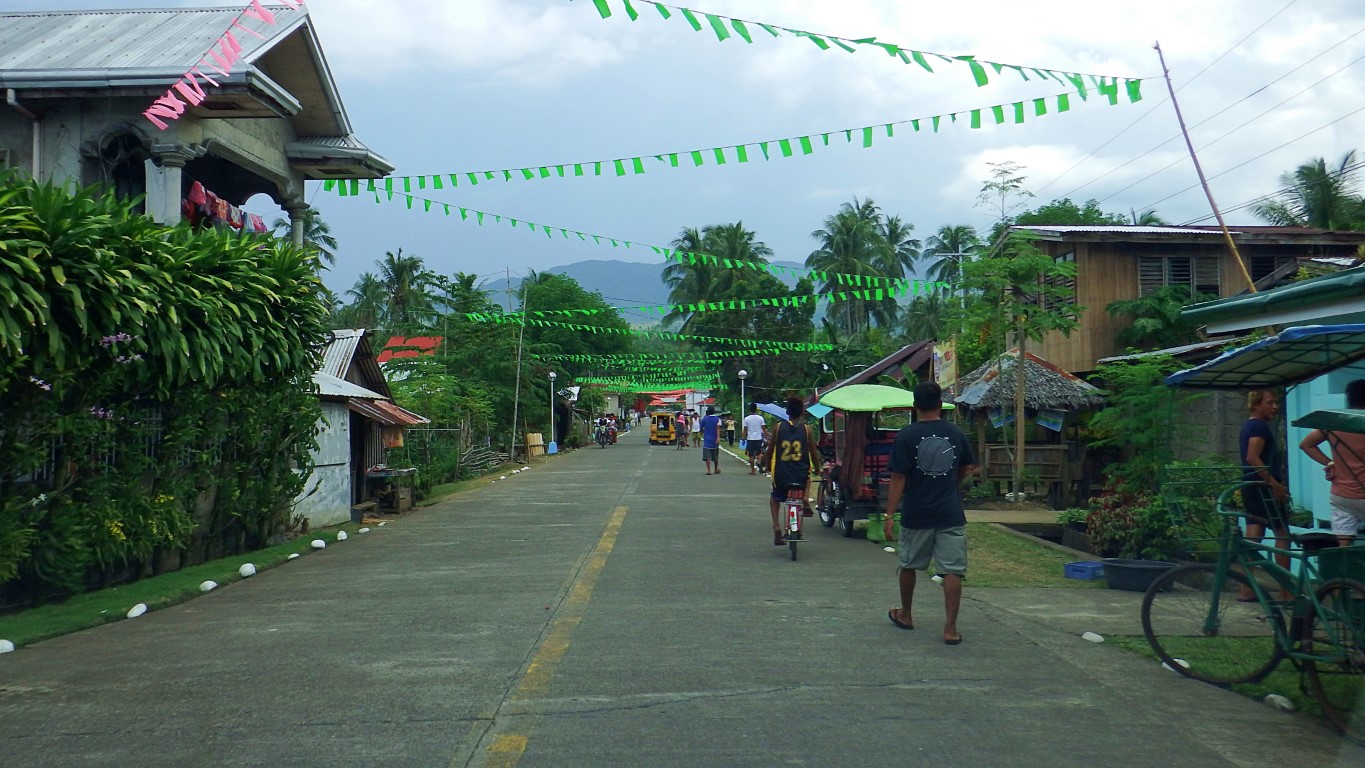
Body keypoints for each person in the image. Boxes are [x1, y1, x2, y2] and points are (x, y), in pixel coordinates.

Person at [883, 382, 977, 646]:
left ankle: (906, 614)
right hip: (949, 512)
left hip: (916, 512)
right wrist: (952, 486)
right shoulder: (956, 433)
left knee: (909, 564)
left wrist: (889, 515)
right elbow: (965, 467)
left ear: (915, 406)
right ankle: (950, 629)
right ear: (940, 405)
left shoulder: (906, 436)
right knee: (952, 571)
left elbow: (898, 477)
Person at [1298, 379, 1365, 546]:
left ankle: (1343, 571)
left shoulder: (1334, 424)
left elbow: (1306, 444)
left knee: (1343, 548)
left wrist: (1330, 463)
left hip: (1341, 496)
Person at [1239, 389, 1290, 600]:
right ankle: (1286, 591)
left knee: (1253, 538)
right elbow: (1253, 457)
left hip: (1250, 485)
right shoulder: (1259, 426)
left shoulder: (1248, 426)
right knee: (1283, 535)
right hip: (1264, 488)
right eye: (1269, 403)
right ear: (1256, 404)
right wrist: (1275, 485)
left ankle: (1246, 589)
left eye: (1275, 402)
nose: (1274, 407)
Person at [762, 397, 821, 546]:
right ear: (802, 412)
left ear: (787, 412)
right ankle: (805, 498)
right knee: (808, 479)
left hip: (781, 475)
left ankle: (776, 526)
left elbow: (770, 451)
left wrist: (768, 466)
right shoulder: (807, 430)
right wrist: (818, 468)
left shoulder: (778, 427)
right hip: (800, 475)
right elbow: (814, 453)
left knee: (774, 497)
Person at [742, 403, 767, 475]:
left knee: (751, 455)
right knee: (759, 453)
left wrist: (743, 438)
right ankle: (759, 462)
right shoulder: (760, 418)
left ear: (749, 409)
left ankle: (753, 470)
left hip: (750, 438)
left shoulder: (747, 419)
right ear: (756, 409)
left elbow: (745, 430)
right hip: (758, 438)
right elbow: (764, 429)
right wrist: (766, 437)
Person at [700, 406, 723, 475]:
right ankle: (716, 469)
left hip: (707, 440)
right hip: (715, 439)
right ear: (714, 411)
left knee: (707, 456)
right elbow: (718, 428)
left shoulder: (704, 419)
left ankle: (708, 470)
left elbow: (701, 428)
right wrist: (718, 438)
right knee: (715, 456)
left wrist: (702, 432)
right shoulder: (717, 419)